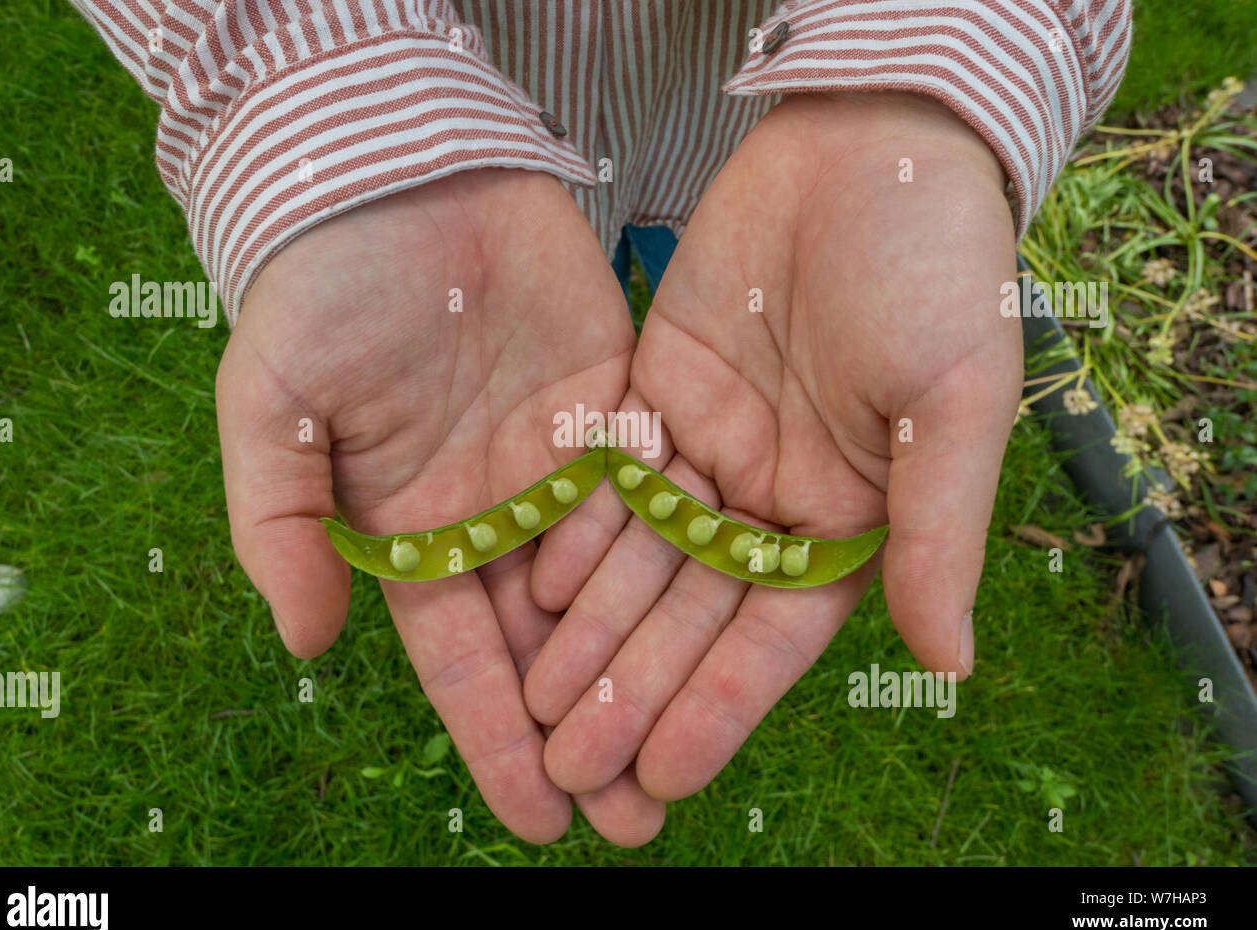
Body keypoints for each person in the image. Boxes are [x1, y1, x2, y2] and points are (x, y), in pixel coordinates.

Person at [71, 0, 1131, 847]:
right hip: (453, 141)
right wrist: (324, 104)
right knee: (601, 306)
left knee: (714, 317)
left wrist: (914, 81)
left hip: (763, 144)